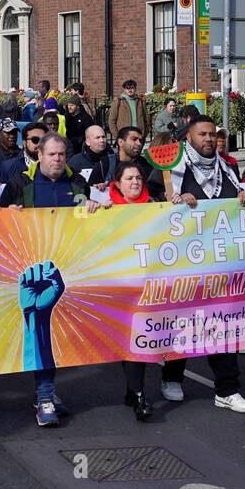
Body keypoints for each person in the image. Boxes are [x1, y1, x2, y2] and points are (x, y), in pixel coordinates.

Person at [145, 116, 245, 412]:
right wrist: (174, 201)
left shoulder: (229, 168)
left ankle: (227, 389)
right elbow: (152, 206)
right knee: (182, 323)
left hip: (221, 268)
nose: (208, 139)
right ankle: (172, 377)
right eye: (202, 134)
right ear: (189, 138)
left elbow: (236, 201)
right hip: (183, 265)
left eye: (212, 134)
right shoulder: (171, 168)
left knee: (222, 327)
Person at [0, 132, 98, 427]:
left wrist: (91, 208)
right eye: (52, 154)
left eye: (62, 155)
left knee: (62, 334)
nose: (57, 159)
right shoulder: (22, 182)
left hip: (69, 268)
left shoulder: (77, 183)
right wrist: (8, 212)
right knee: (40, 324)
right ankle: (44, 395)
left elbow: (84, 216)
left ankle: (49, 390)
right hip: (34, 270)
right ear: (39, 155)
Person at [110, 160, 157, 421]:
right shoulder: (106, 209)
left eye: (138, 178)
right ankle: (136, 392)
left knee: (139, 338)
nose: (135, 182)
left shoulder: (155, 207)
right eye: (129, 179)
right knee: (129, 339)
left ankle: (135, 392)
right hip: (119, 286)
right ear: (117, 183)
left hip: (147, 285)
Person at [0, 120, 44, 186]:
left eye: (44, 140)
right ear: (24, 142)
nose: (40, 144)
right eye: (35, 140)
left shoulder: (58, 165)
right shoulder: (7, 167)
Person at [70, 124, 116, 189]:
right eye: (97, 137)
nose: (102, 140)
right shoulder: (76, 161)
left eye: (103, 137)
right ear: (88, 142)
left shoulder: (113, 159)